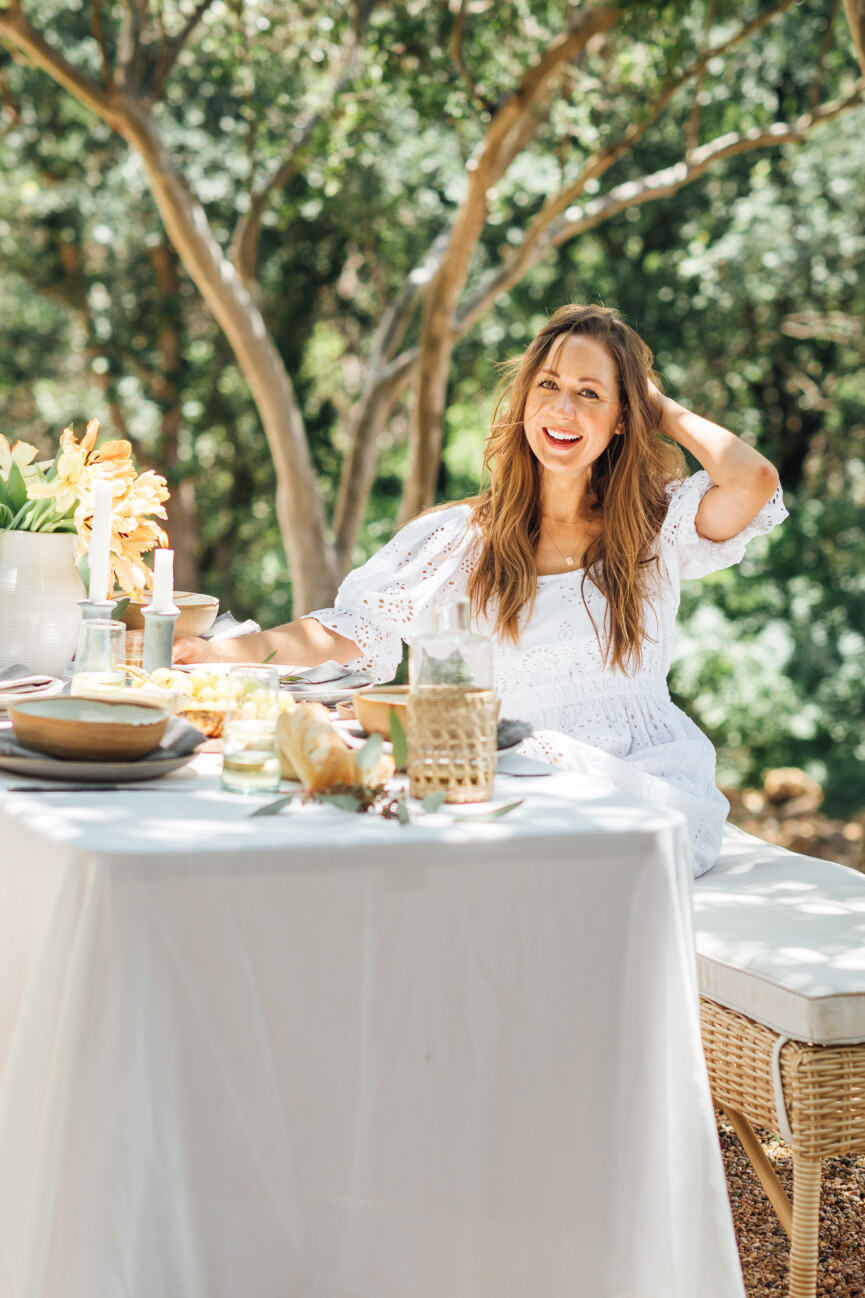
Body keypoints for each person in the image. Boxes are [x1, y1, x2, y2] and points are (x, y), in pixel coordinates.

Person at [176, 304, 786, 875]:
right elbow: (348, 629)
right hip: (515, 774)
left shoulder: (655, 527)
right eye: (547, 386)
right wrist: (226, 653)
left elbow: (753, 479)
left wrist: (656, 405)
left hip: (644, 784)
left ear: (625, 417)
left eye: (589, 394)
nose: (562, 410)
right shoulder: (462, 539)